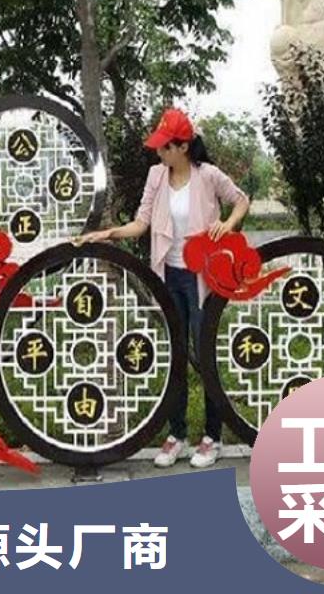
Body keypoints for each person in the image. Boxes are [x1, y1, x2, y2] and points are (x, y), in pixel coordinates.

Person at [78, 108, 249, 468]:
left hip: (203, 279)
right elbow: (141, 223)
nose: (159, 152)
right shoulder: (157, 176)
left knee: (204, 355)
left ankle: (212, 438)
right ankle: (177, 435)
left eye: (165, 147)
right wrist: (107, 234)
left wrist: (228, 224)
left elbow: (241, 200)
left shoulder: (208, 176)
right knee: (175, 356)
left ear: (183, 147)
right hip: (169, 276)